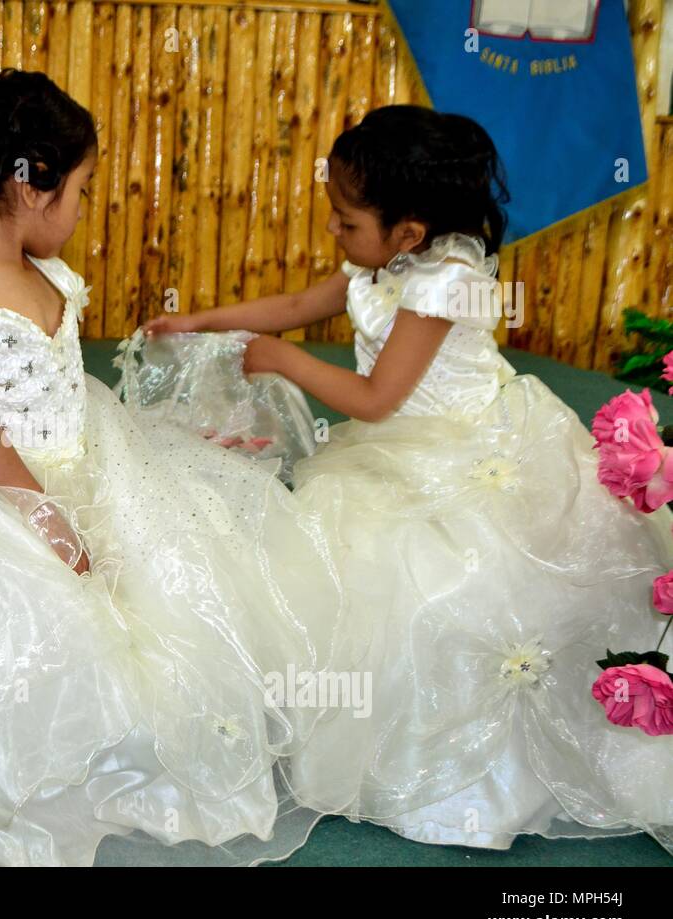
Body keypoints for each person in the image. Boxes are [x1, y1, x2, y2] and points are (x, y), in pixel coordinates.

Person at [149, 104, 673, 854]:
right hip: (396, 444)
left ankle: (460, 777)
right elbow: (303, 305)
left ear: (411, 233)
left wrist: (282, 358)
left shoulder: (447, 280)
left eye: (346, 221)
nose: (334, 231)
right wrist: (204, 320)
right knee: (340, 569)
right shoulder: (381, 259)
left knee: (435, 588)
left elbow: (375, 398)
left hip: (459, 445)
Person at [0, 69, 347, 867]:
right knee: (64, 605)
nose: (83, 206)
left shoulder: (52, 275)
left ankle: (164, 760)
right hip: (5, 483)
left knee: (178, 567)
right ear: (33, 185)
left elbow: (68, 387)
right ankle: (67, 777)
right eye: (80, 188)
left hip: (88, 450)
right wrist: (46, 518)